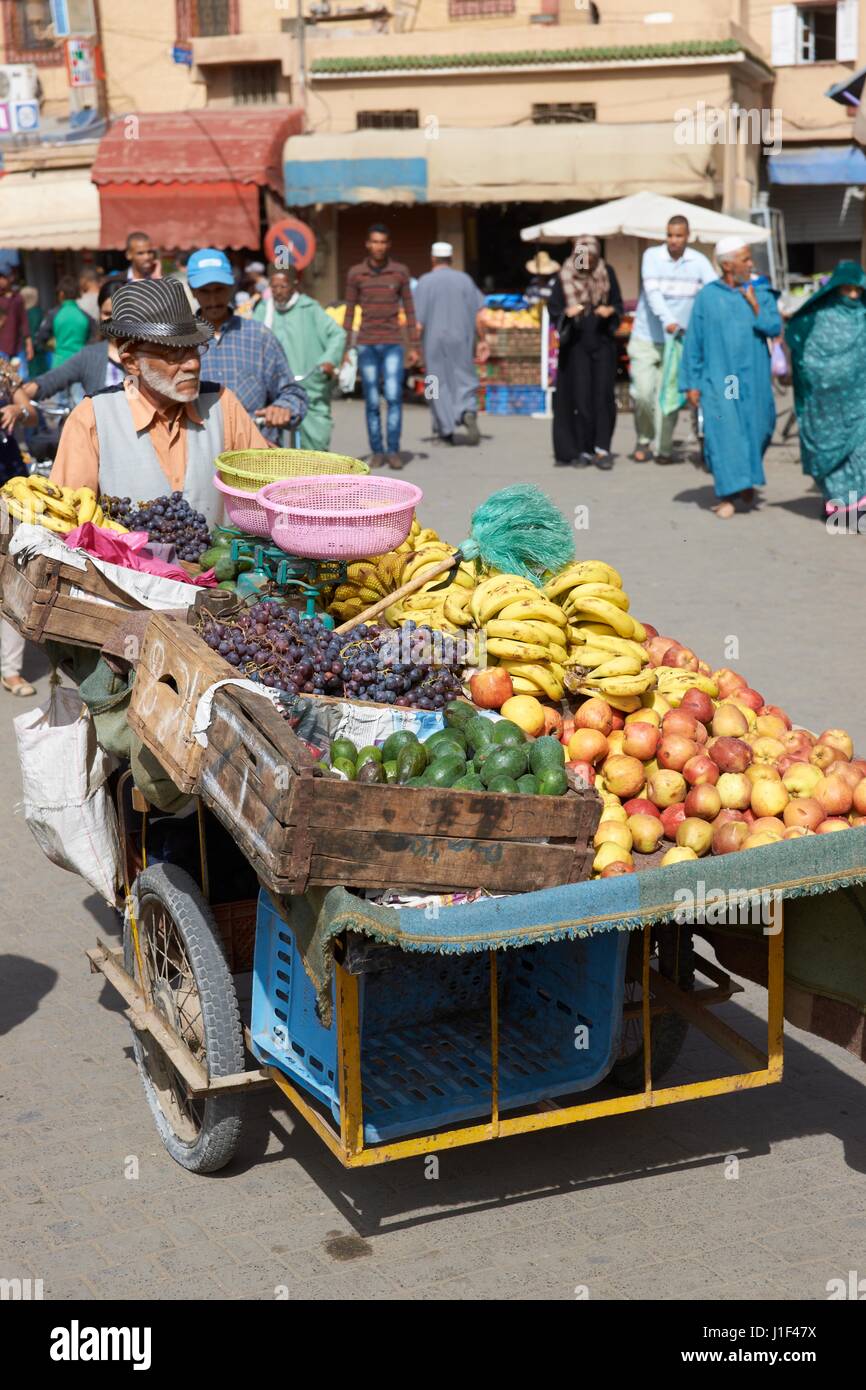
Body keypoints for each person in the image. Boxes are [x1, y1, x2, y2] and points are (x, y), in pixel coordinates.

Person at [49, 278, 271, 527]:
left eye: (195, 348)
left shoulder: (221, 404)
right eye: (174, 353)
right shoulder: (93, 418)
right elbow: (68, 522)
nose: (192, 364)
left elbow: (265, 488)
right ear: (132, 362)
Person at [680, 238, 782, 520]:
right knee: (724, 434)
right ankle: (727, 493)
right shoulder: (708, 296)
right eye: (745, 259)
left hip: (755, 377)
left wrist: (754, 305)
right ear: (727, 265)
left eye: (750, 259)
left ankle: (746, 479)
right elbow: (694, 341)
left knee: (760, 428)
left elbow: (774, 326)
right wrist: (691, 382)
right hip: (720, 378)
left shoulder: (759, 290)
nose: (751, 264)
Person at [188, 248, 307, 445]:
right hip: (199, 451)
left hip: (257, 452)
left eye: (219, 290)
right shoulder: (180, 342)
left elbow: (292, 391)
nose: (213, 300)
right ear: (192, 291)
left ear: (231, 286)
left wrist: (283, 407)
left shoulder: (259, 337)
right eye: (204, 291)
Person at [629, 215, 717, 464]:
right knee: (644, 393)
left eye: (678, 236)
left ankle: (664, 448)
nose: (673, 241)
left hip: (679, 342)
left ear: (687, 236)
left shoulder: (698, 261)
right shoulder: (652, 257)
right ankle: (644, 438)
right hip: (648, 337)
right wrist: (669, 320)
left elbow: (714, 291)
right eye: (669, 235)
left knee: (669, 394)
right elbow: (653, 294)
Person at [786, 259, 866, 520]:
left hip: (860, 403)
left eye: (857, 290)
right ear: (835, 289)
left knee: (860, 457)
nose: (853, 296)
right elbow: (804, 355)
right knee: (832, 461)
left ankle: (855, 514)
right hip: (825, 403)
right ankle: (841, 514)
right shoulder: (819, 316)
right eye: (847, 290)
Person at [342, 223, 420, 469]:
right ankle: (377, 451)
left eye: (383, 242)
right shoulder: (356, 273)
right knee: (373, 400)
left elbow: (409, 309)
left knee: (395, 397)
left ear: (389, 245)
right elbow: (349, 311)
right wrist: (344, 349)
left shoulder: (400, 272)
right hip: (366, 344)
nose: (378, 246)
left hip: (393, 344)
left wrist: (414, 346)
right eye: (374, 241)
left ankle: (393, 450)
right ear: (368, 244)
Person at [254, 265, 346, 451]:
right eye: (274, 287)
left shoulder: (309, 308)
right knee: (265, 445)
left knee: (316, 444)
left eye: (283, 287)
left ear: (294, 285)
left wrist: (328, 360)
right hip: (273, 389)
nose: (278, 292)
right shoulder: (264, 310)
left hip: (309, 383)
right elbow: (252, 338)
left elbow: (337, 334)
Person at [549, 235, 623, 469]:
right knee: (579, 397)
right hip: (576, 348)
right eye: (582, 257)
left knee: (602, 396)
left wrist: (609, 311)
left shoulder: (606, 272)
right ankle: (581, 449)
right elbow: (554, 310)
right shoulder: (564, 276)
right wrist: (567, 314)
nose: (587, 262)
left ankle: (602, 449)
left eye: (591, 258)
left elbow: (618, 304)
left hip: (602, 344)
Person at [6, 283, 124, 421]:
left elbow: (41, 337)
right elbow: (49, 381)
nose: (113, 320)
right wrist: (19, 393)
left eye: (119, 313)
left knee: (68, 407)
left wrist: (49, 347)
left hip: (61, 361)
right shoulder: (84, 317)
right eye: (107, 314)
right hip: (76, 367)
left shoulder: (55, 314)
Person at [0, 303, 39, 698]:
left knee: (14, 573)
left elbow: (30, 416)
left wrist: (17, 407)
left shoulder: (3, 368)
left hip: (11, 484)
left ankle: (11, 669)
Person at [414, 241, 487, 446]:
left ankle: (443, 427)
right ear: (451, 259)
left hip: (433, 343)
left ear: (432, 259)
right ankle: (467, 411)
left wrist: (414, 348)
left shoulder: (424, 282)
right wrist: (483, 340)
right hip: (461, 340)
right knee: (464, 377)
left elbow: (417, 323)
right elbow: (480, 315)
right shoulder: (465, 280)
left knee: (435, 384)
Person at [42, 276, 92, 367]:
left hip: (60, 364)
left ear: (61, 294)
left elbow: (42, 337)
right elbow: (93, 339)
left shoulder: (53, 314)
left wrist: (52, 345)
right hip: (81, 363)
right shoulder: (85, 316)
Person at [0, 267, 33, 366]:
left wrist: (29, 344)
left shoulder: (18, 299)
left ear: (10, 278)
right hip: (2, 346)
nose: (1, 281)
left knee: (21, 377)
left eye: (3, 277)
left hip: (17, 346)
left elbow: (24, 321)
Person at [20, 286, 48, 376]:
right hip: (39, 349)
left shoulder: (29, 313)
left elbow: (31, 332)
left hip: (32, 351)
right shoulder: (38, 312)